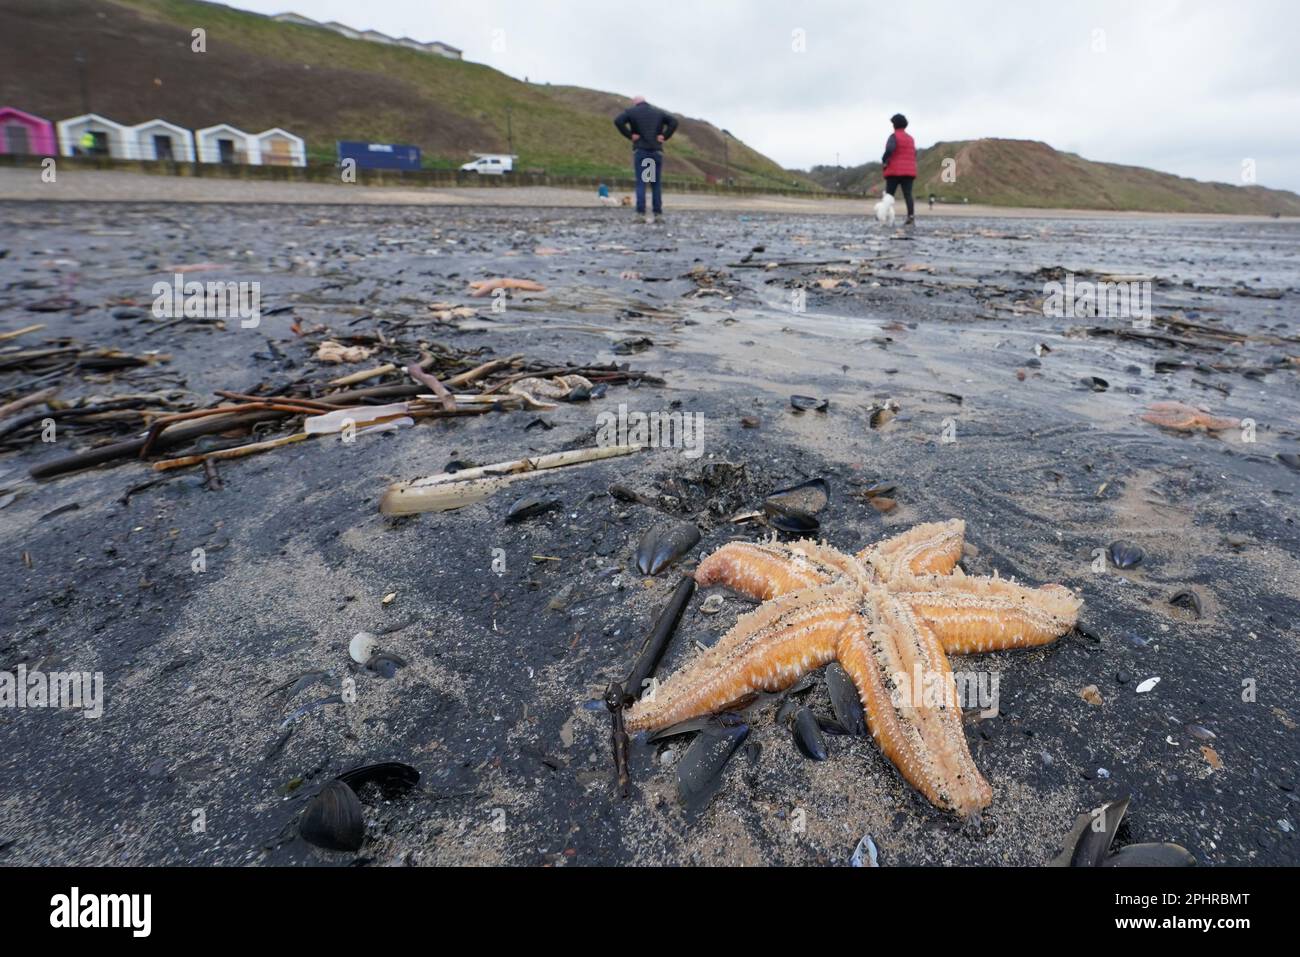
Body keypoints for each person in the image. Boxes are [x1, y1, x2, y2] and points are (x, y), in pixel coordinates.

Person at [613, 96, 678, 221]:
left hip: (641, 151)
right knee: (655, 183)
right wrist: (665, 136)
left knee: (641, 182)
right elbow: (674, 122)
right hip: (655, 151)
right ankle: (658, 214)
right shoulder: (658, 112)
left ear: (635, 103)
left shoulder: (631, 112)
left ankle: (640, 214)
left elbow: (618, 121)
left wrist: (630, 135)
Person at [881, 113, 917, 226]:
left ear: (894, 125)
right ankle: (910, 217)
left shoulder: (893, 137)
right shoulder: (911, 139)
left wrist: (884, 160)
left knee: (889, 195)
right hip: (909, 172)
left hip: (894, 171)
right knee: (908, 194)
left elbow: (890, 149)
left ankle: (885, 216)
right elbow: (914, 153)